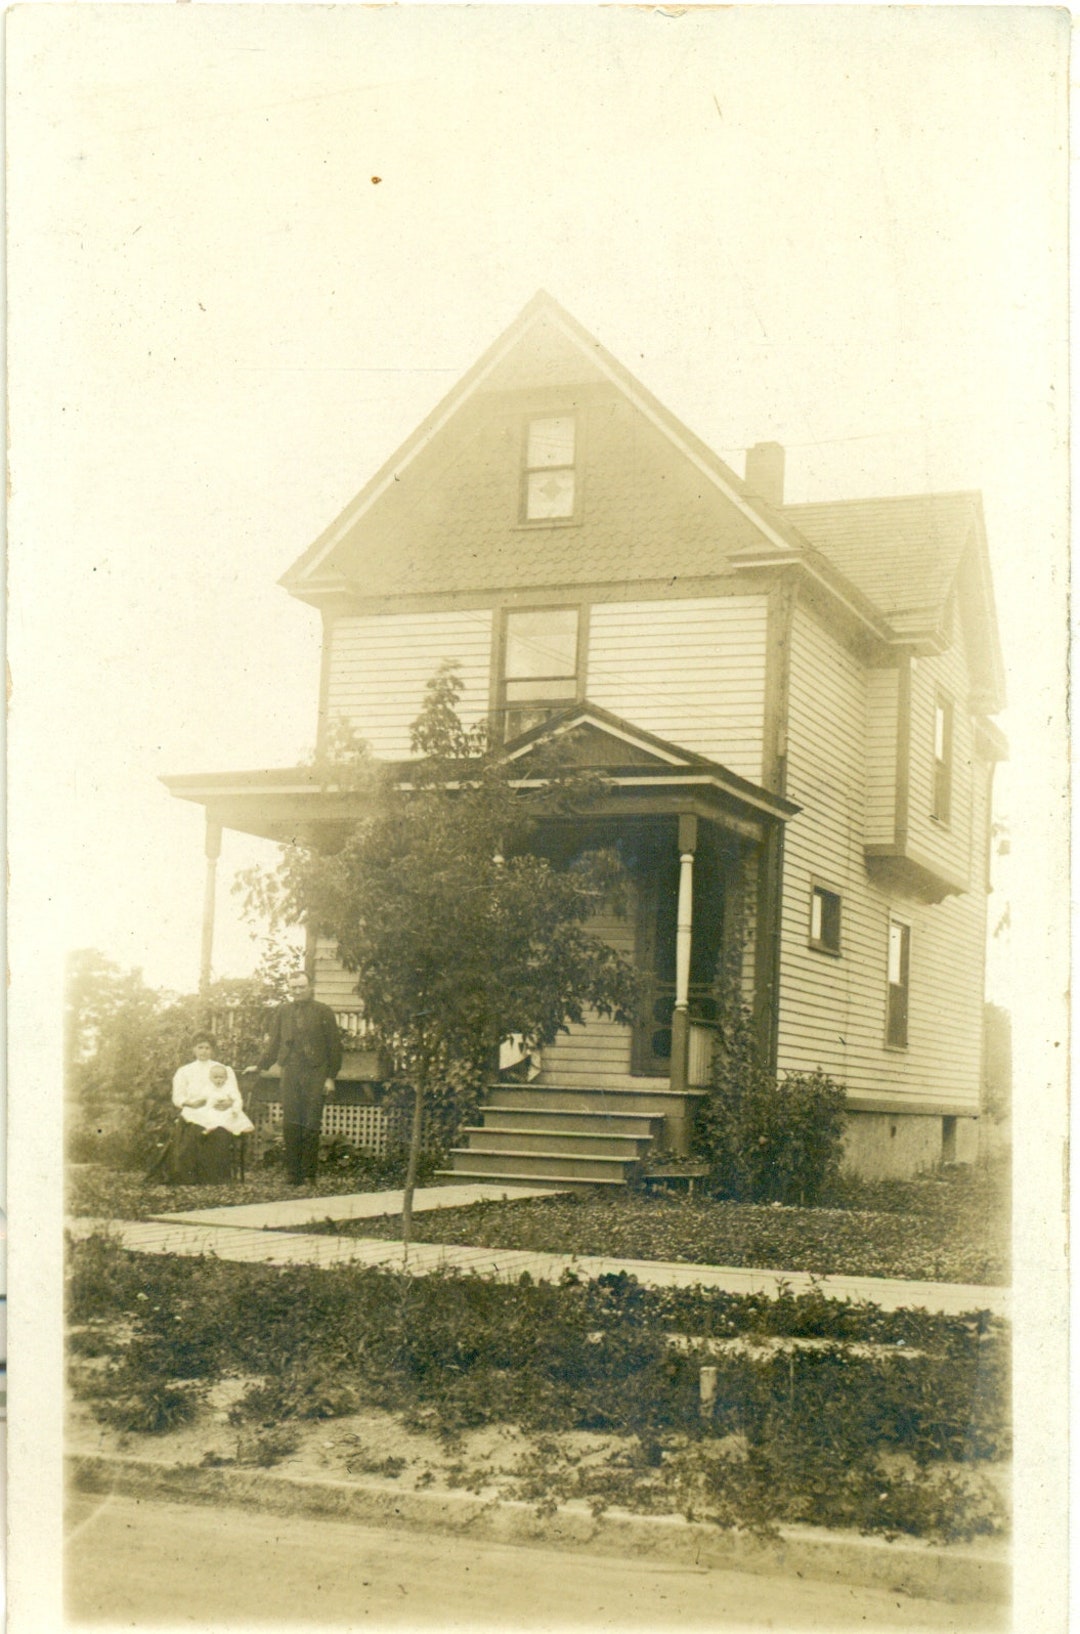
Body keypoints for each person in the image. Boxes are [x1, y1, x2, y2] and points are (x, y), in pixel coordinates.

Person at [250, 972, 342, 1185]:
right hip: (290, 1071)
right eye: (294, 988)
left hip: (316, 1072)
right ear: (289, 989)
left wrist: (330, 1077)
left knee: (311, 1122)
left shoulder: (323, 1011)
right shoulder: (283, 1011)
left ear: (310, 987)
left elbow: (334, 1047)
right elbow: (274, 1043)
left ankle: (309, 1174)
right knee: (291, 1122)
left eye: (301, 987)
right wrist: (260, 1065)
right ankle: (293, 1174)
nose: (298, 991)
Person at [170, 1033, 254, 1184]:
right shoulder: (184, 1071)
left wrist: (229, 1103)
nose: (204, 1051)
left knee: (221, 1128)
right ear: (193, 1049)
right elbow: (177, 1097)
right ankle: (192, 1176)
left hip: (219, 1109)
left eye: (207, 1048)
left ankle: (215, 1176)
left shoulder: (223, 1069)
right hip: (195, 1109)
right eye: (200, 1047)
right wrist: (190, 1103)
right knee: (193, 1128)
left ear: (212, 1050)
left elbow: (233, 1093)